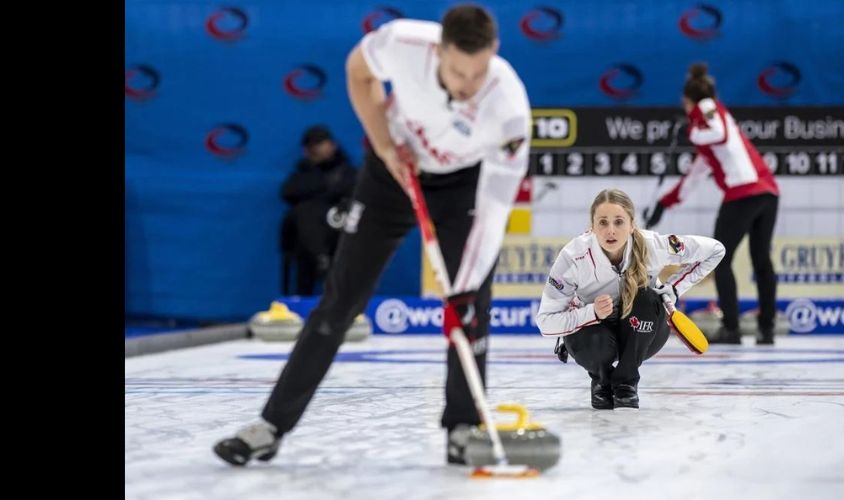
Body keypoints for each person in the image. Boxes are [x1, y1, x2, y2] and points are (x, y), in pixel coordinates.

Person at [213, 4, 532, 466]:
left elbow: (495, 210)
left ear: (495, 52)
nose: (467, 87)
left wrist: (465, 287)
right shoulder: (401, 42)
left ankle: (462, 426)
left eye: (478, 73)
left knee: (470, 303)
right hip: (391, 175)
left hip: (463, 184)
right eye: (458, 72)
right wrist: (383, 144)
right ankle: (271, 426)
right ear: (438, 50)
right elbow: (357, 73)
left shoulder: (510, 110)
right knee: (339, 301)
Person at [537, 189, 725, 410]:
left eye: (619, 222)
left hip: (644, 333)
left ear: (632, 225)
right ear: (592, 226)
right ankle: (602, 381)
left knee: (647, 296)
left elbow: (715, 250)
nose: (611, 231)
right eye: (603, 223)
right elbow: (545, 322)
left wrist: (674, 288)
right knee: (595, 343)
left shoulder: (654, 245)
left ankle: (626, 383)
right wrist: (591, 313)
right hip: (594, 336)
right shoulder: (573, 257)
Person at [643, 62, 781, 346]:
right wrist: (664, 203)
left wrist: (691, 131)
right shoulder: (707, 137)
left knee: (721, 258)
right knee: (761, 260)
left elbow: (718, 132)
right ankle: (766, 329)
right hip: (768, 193)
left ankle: (731, 328)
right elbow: (694, 174)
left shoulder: (707, 107)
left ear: (687, 101)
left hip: (744, 194)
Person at [280, 125, 356, 296]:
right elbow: (288, 192)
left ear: (332, 145)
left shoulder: (347, 172)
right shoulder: (303, 173)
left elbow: (356, 194)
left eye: (320, 144)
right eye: (311, 146)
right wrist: (322, 184)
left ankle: (323, 260)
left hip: (340, 229)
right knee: (306, 213)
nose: (316, 149)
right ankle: (320, 258)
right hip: (309, 238)